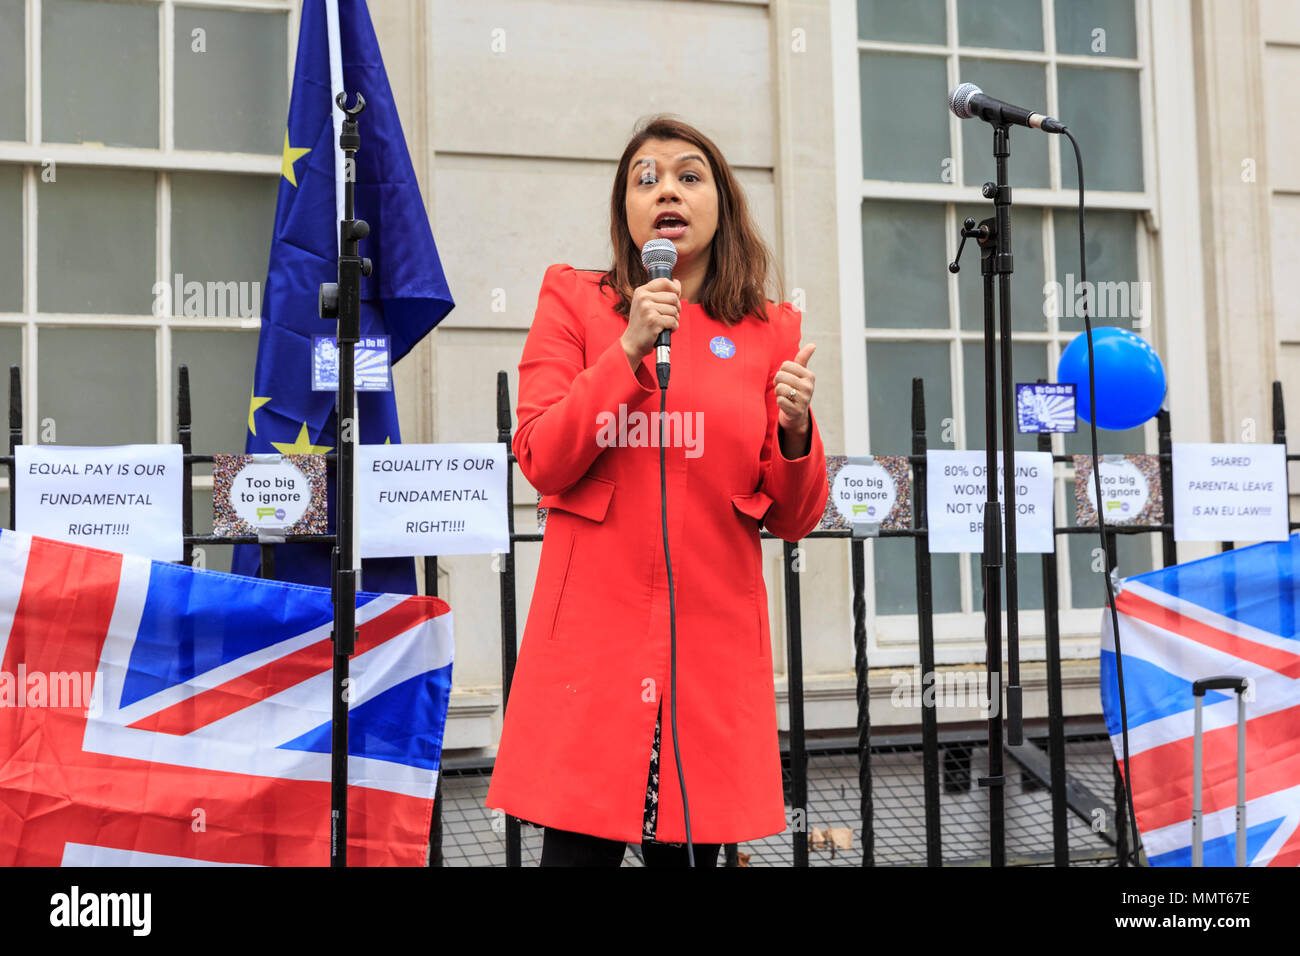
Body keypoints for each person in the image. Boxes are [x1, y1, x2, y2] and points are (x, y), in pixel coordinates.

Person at [484, 115, 829, 867]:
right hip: (593, 648)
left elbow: (797, 517)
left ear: (722, 204)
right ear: (626, 212)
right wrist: (629, 350)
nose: (666, 189)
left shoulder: (770, 330)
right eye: (646, 178)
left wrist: (797, 431)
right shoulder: (576, 303)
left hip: (707, 651)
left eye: (687, 175)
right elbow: (542, 456)